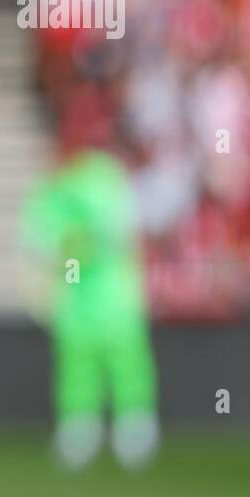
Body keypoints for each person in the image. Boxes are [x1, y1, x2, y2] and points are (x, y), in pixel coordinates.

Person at [20, 103, 160, 472]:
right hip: (74, 297)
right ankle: (79, 429)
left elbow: (117, 232)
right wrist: (69, 249)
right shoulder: (53, 182)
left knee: (126, 362)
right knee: (77, 365)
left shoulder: (107, 176)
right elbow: (39, 238)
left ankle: (134, 427)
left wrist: (77, 245)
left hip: (115, 294)